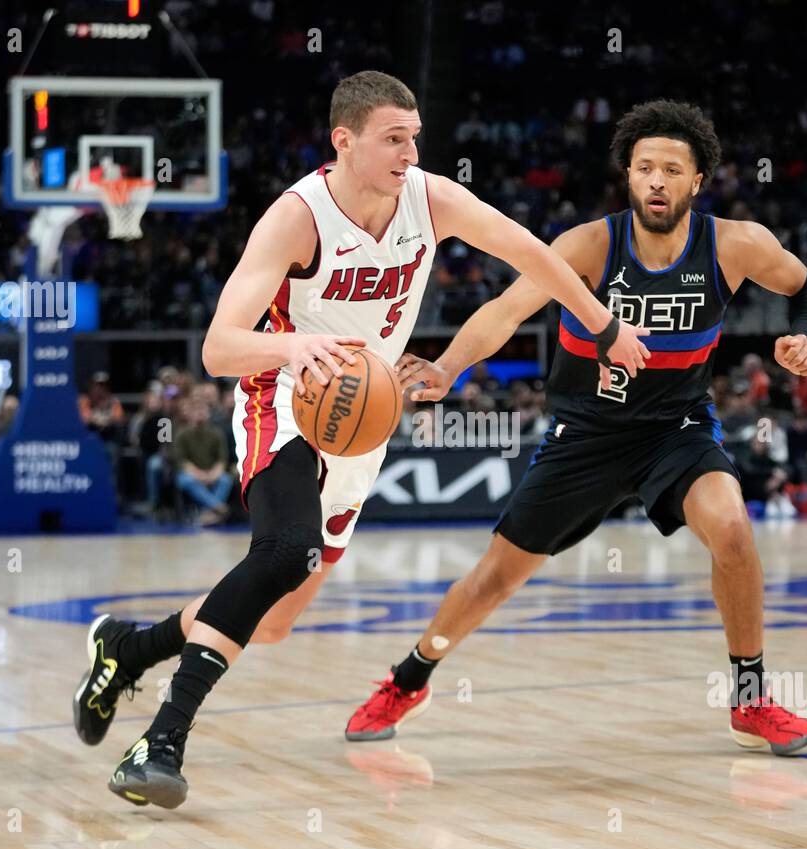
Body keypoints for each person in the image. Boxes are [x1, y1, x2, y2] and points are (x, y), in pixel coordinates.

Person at [74, 71, 649, 809]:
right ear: (344, 140)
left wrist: (602, 326)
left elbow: (534, 254)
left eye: (414, 137)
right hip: (282, 397)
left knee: (273, 621)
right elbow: (219, 349)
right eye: (393, 138)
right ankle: (160, 741)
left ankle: (128, 647)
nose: (410, 151)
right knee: (279, 554)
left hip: (361, 418)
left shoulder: (431, 198)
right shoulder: (297, 218)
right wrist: (292, 352)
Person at [343, 100, 807, 756]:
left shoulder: (739, 245)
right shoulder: (591, 246)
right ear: (628, 175)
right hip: (587, 434)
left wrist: (804, 337)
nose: (656, 180)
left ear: (697, 182)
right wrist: (450, 366)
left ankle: (750, 701)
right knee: (495, 579)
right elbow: (507, 309)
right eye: (644, 167)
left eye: (671, 169)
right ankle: (410, 677)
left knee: (735, 532)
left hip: (675, 429)